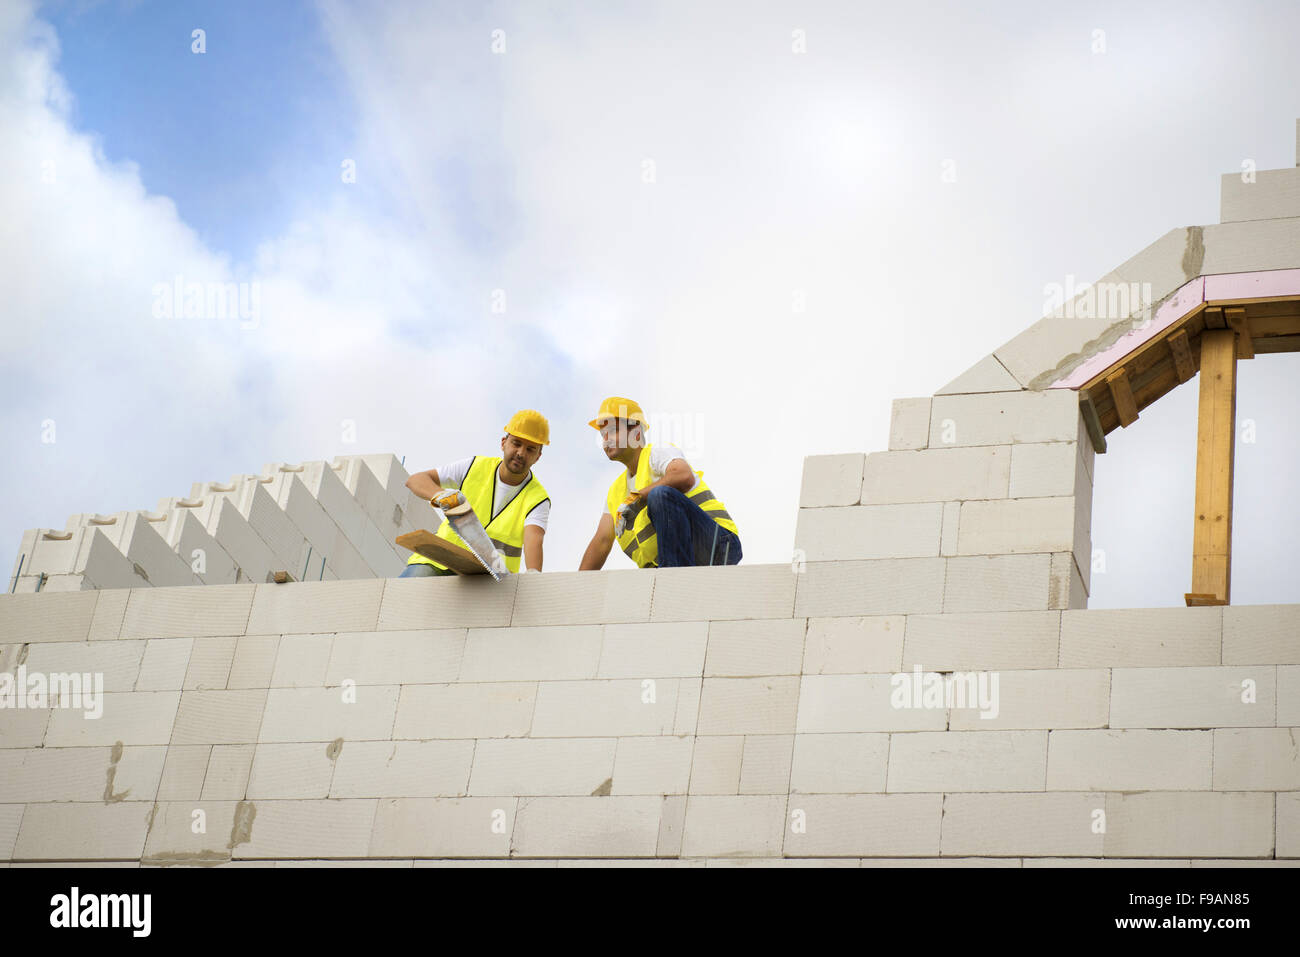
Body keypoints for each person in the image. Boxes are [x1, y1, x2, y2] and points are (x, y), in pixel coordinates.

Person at [579, 396, 740, 570]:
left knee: (659, 495)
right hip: (683, 562)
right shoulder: (615, 493)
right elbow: (601, 542)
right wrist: (576, 588)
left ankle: (670, 579)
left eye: (613, 430)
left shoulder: (658, 453)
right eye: (603, 435)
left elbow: (683, 475)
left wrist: (639, 498)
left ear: (636, 433)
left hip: (720, 545)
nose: (606, 439)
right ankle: (669, 578)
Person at [400, 410, 551, 576]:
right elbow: (415, 480)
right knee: (408, 593)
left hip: (488, 579)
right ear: (503, 443)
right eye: (516, 443)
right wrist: (443, 496)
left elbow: (534, 540)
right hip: (439, 561)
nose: (521, 453)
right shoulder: (474, 467)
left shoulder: (538, 499)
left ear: (538, 456)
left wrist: (533, 574)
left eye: (530, 449)